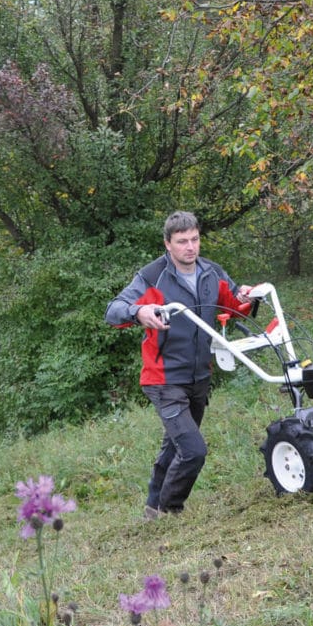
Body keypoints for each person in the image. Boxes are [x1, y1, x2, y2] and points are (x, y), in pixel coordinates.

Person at [106, 211, 255, 519]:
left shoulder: (211, 273)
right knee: (193, 450)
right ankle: (169, 510)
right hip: (163, 378)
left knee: (175, 446)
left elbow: (234, 307)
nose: (190, 247)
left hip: (200, 376)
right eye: (182, 241)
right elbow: (114, 311)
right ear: (168, 244)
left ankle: (152, 509)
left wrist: (247, 296)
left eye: (195, 239)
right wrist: (139, 312)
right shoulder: (152, 276)